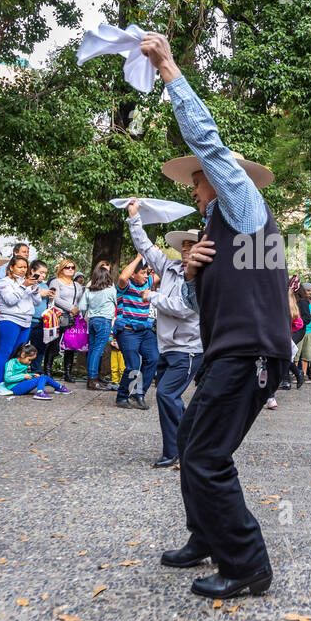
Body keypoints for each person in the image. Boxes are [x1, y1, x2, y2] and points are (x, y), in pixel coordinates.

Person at [143, 32, 289, 600]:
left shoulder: (246, 207)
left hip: (249, 355)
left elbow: (209, 143)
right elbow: (211, 305)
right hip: (226, 351)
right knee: (194, 448)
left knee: (206, 455)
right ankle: (204, 535)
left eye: (199, 176)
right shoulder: (214, 235)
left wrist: (169, 69)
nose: (195, 183)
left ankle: (248, 564)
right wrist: (196, 270)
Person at [126, 200, 203, 467]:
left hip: (189, 349)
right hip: (167, 346)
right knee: (170, 399)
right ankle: (190, 442)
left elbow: (187, 309)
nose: (185, 248)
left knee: (165, 395)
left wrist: (153, 297)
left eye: (191, 244)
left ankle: (174, 451)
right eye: (183, 244)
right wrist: (134, 218)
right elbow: (145, 247)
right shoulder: (169, 268)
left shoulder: (204, 277)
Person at [0, 255, 45, 392]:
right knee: (5, 352)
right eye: (20, 267)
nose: (23, 269)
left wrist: (33, 290)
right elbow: (9, 300)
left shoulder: (27, 282)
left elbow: (37, 302)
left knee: (16, 355)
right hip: (10, 321)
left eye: (25, 267)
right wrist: (23, 286)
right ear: (11, 267)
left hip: (26, 322)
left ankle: (11, 381)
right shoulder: (4, 282)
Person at [113, 252, 159, 409]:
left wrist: (153, 254)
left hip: (144, 331)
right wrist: (139, 258)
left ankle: (138, 394)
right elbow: (122, 277)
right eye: (143, 273)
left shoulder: (148, 283)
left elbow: (163, 272)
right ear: (133, 275)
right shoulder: (125, 287)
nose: (146, 276)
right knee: (133, 365)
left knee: (153, 358)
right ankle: (122, 397)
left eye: (147, 273)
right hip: (127, 331)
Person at [82, 262, 118, 391]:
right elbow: (117, 303)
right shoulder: (110, 290)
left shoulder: (89, 290)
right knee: (98, 350)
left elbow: (82, 307)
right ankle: (92, 380)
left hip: (92, 321)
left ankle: (92, 378)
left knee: (92, 349)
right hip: (104, 321)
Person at [47, 261, 85, 379]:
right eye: (67, 267)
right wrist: (71, 307)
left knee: (71, 345)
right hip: (58, 316)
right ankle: (48, 371)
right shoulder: (55, 282)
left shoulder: (77, 285)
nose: (70, 269)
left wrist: (77, 309)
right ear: (61, 269)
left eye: (72, 267)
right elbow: (55, 298)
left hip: (73, 317)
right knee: (54, 344)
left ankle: (67, 373)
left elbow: (80, 300)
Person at [0, 343, 72, 399]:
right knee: (43, 378)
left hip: (21, 385)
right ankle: (39, 393)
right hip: (13, 387)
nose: (30, 362)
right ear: (22, 355)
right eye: (29, 360)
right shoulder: (11, 363)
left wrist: (32, 375)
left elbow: (24, 376)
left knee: (44, 377)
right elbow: (8, 378)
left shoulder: (23, 363)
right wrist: (23, 376)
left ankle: (59, 388)